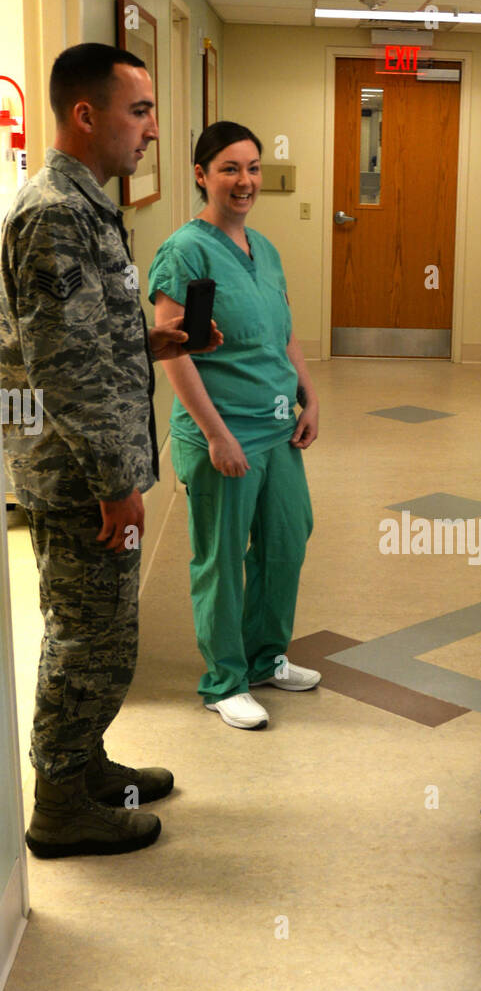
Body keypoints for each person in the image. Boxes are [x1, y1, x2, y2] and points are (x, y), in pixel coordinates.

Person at [0, 43, 212, 858]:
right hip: (79, 479)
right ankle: (60, 804)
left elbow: (84, 340)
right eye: (140, 111)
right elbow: (65, 370)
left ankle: (83, 766)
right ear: (85, 115)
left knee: (99, 634)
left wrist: (152, 339)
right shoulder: (54, 212)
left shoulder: (83, 206)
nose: (153, 129)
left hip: (89, 468)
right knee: (89, 640)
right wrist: (116, 483)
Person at [148, 122, 320, 730]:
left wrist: (308, 394)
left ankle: (266, 657)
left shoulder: (265, 249)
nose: (244, 181)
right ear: (202, 175)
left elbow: (284, 331)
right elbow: (176, 352)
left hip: (276, 427)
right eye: (229, 168)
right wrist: (218, 434)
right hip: (221, 432)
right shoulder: (185, 252)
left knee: (286, 539)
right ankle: (224, 680)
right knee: (222, 556)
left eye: (252, 168)